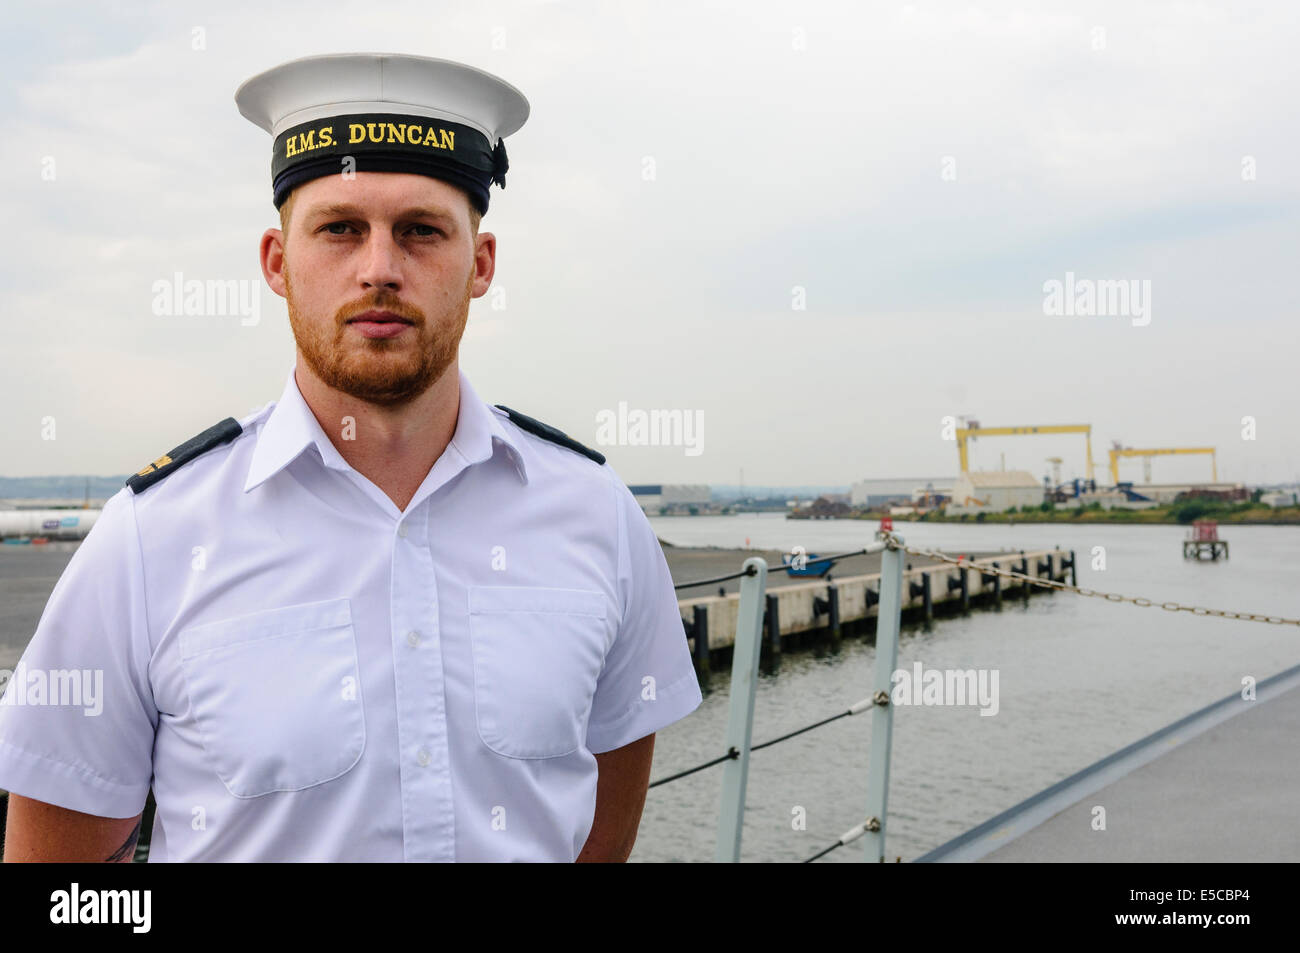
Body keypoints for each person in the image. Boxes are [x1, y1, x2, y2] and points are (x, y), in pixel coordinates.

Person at [0, 53, 703, 862]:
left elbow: (605, 807)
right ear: (276, 262)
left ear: (480, 265)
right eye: (339, 229)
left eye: (420, 231)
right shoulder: (148, 541)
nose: (378, 269)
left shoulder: (595, 513)